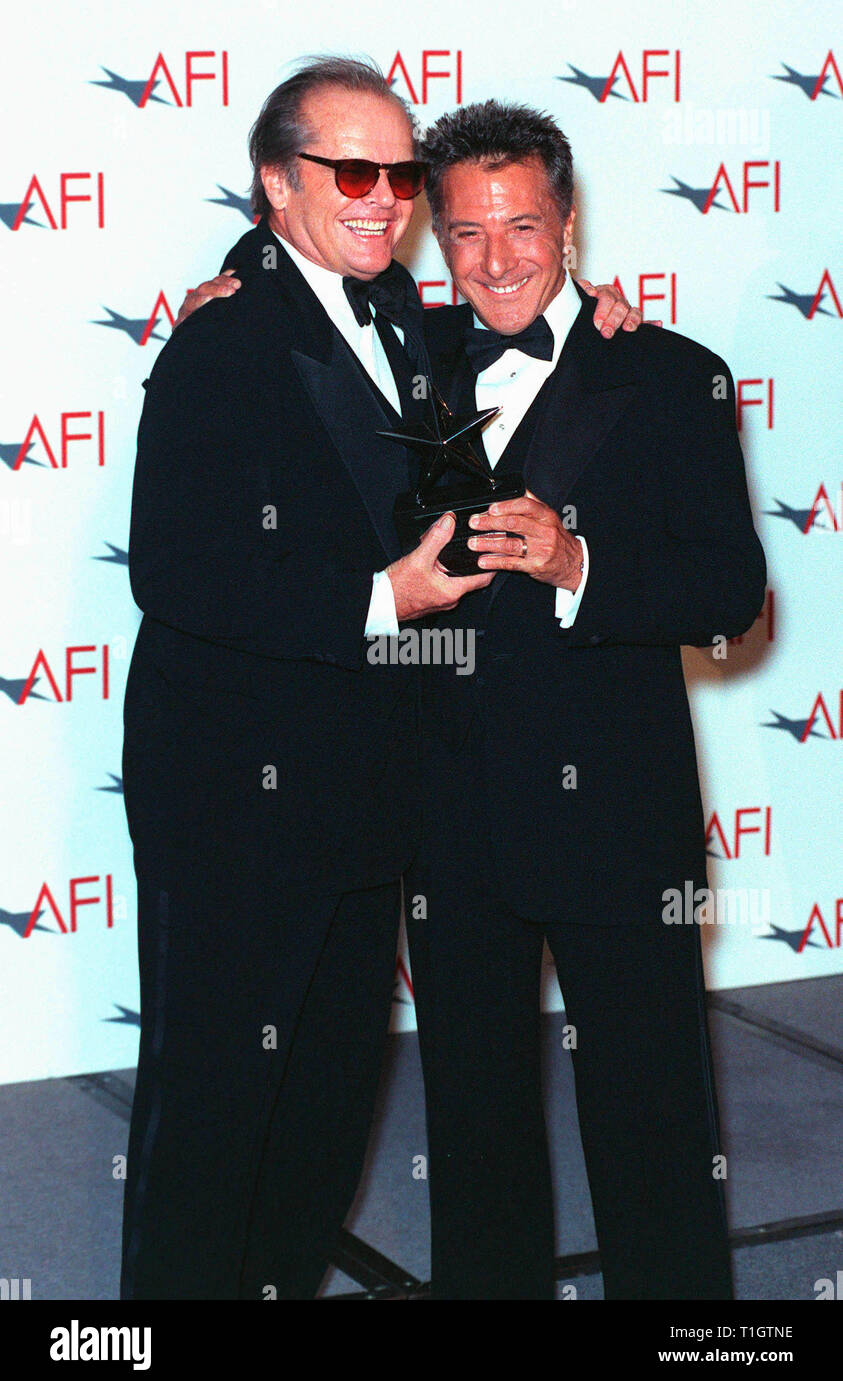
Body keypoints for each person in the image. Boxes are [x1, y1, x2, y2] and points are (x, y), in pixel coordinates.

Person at [121, 57, 634, 1300]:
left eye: (401, 174)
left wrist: (591, 312)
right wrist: (377, 600)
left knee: (326, 1105)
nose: (384, 197)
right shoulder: (218, 343)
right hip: (236, 800)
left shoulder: (401, 311)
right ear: (275, 184)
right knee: (212, 1112)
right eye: (352, 171)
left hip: (367, 796)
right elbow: (174, 573)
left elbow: (497, 316)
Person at [401, 100, 767, 1299]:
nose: (497, 257)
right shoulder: (403, 373)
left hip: (618, 821)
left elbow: (730, 590)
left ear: (569, 222)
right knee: (472, 1140)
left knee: (655, 1134)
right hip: (451, 830)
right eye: (467, 232)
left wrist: (579, 566)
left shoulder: (671, 376)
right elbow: (282, 261)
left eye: (522, 224)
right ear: (434, 241)